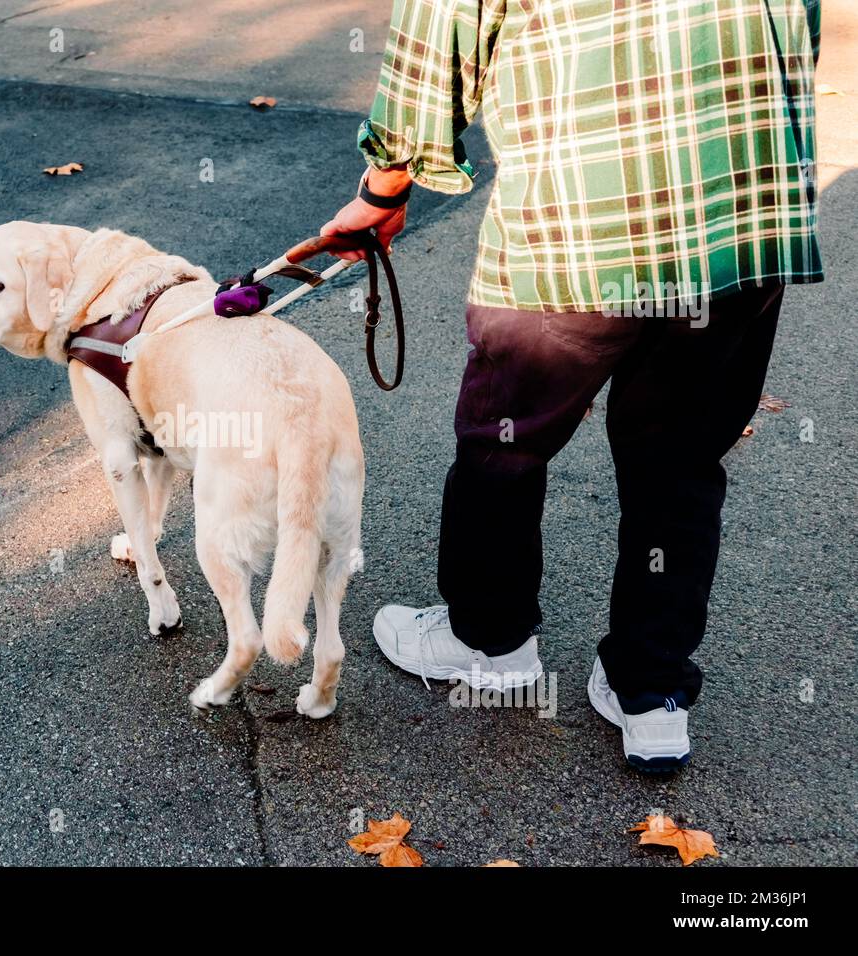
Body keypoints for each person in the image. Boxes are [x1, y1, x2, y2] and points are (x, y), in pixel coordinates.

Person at [322, 0, 823, 770]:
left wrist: (385, 186)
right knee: (680, 462)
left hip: (577, 226)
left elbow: (435, 46)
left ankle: (491, 646)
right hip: (741, 219)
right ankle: (651, 695)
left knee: (505, 442)